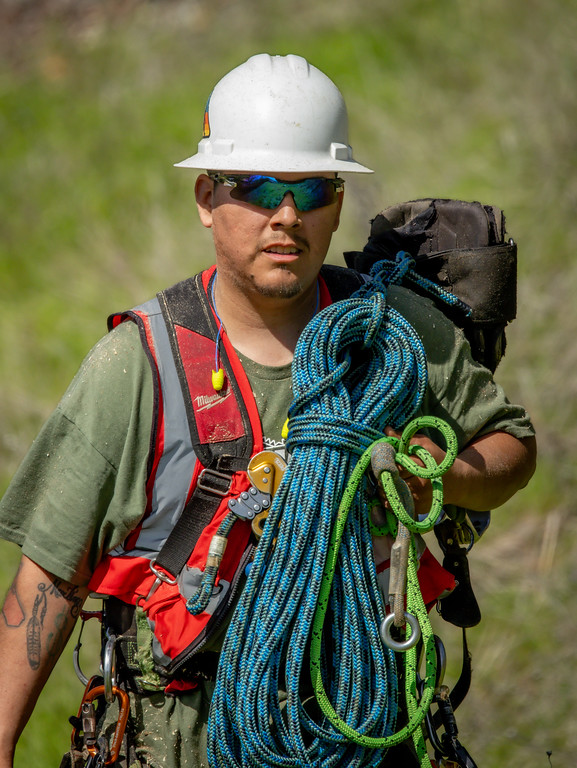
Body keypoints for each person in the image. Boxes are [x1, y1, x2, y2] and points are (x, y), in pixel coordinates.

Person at [0, 53, 536, 768]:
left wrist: (431, 475)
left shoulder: (391, 333)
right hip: (184, 738)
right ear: (205, 200)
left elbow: (510, 446)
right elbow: (50, 580)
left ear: (338, 203)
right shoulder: (139, 363)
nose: (285, 216)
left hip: (360, 729)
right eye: (254, 187)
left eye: (311, 188)